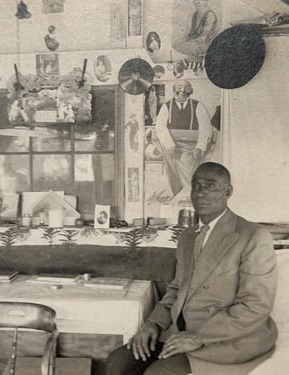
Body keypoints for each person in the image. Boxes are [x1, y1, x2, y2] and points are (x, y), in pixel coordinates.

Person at [106, 162, 278, 375]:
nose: (201, 193)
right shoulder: (187, 237)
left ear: (228, 192)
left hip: (227, 338)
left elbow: (255, 306)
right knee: (117, 362)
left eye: (210, 186)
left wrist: (198, 338)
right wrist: (153, 324)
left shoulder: (253, 236)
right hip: (180, 333)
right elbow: (177, 289)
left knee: (159, 373)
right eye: (196, 186)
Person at [155, 80, 212, 189]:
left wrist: (200, 147)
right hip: (172, 148)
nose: (182, 92)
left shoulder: (198, 106)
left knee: (192, 174)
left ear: (191, 91)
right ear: (173, 90)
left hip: (192, 148)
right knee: (172, 176)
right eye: (179, 88)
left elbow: (206, 127)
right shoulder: (166, 107)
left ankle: (189, 196)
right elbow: (160, 127)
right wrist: (170, 146)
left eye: (186, 89)